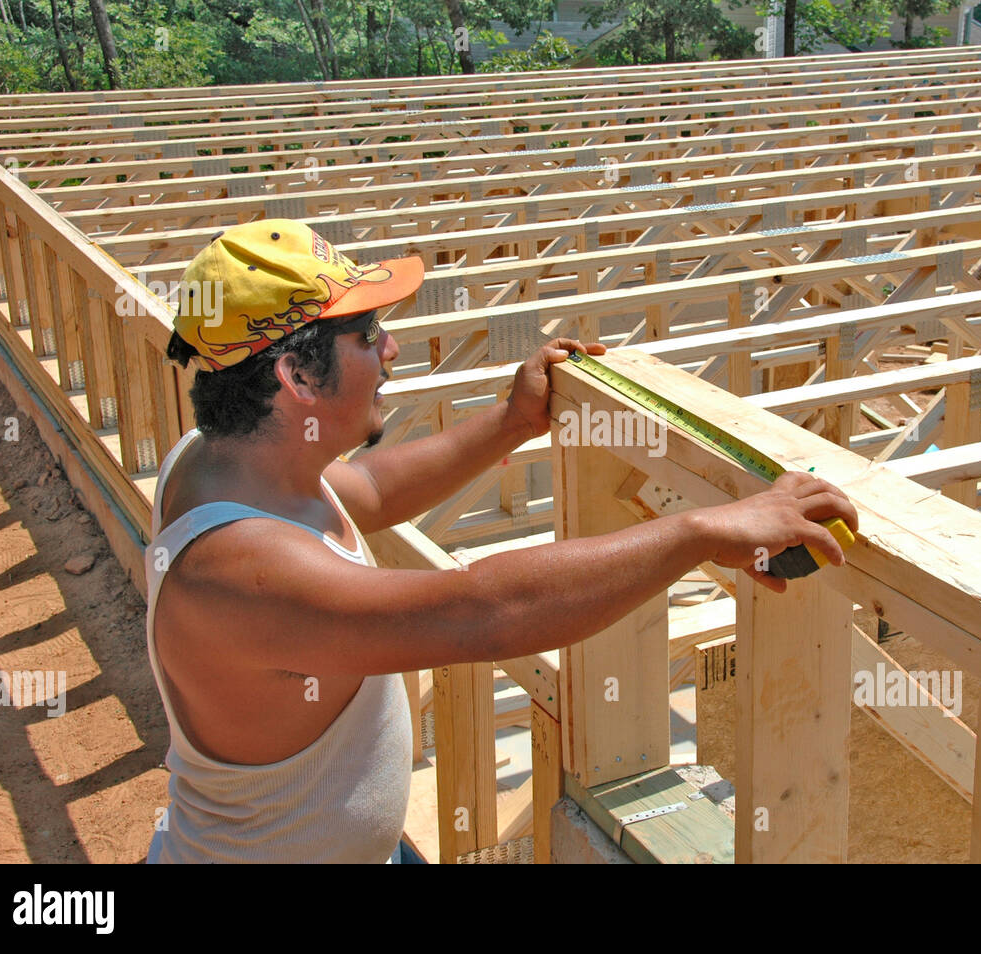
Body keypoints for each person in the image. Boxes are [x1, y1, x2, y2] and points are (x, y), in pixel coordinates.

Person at [145, 218, 858, 863]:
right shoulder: (238, 571)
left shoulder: (220, 462)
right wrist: (701, 531)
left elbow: (371, 491)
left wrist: (511, 422)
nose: (390, 348)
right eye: (365, 336)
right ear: (296, 376)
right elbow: (478, 612)